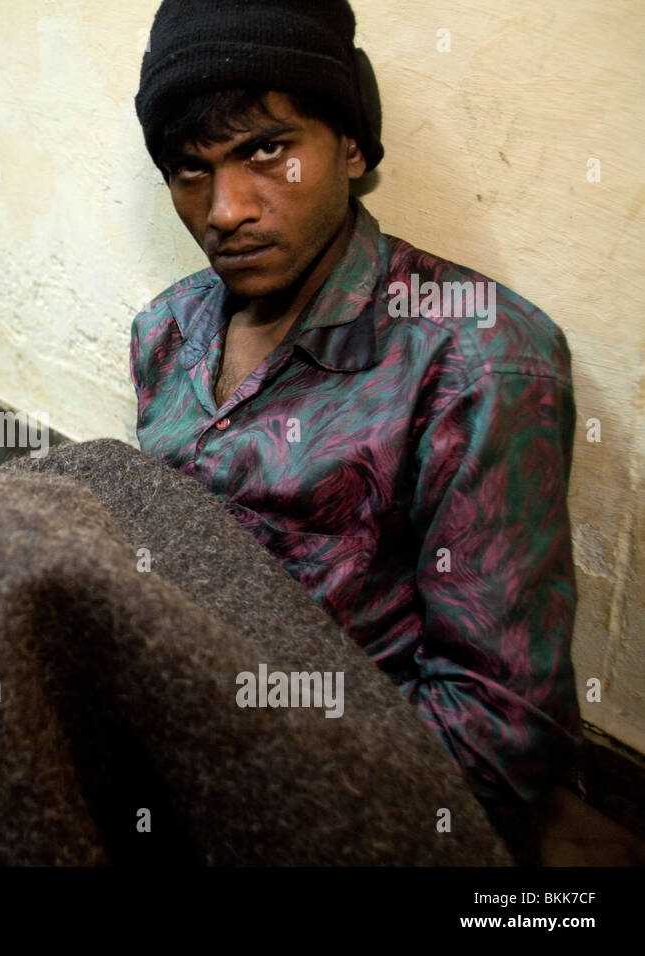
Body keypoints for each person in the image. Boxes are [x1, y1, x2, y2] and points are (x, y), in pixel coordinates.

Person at [128, 0, 578, 850]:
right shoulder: (167, 330)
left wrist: (237, 763)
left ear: (352, 146)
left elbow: (501, 732)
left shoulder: (480, 360)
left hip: (340, 791)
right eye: (190, 169)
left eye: (266, 150)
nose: (224, 209)